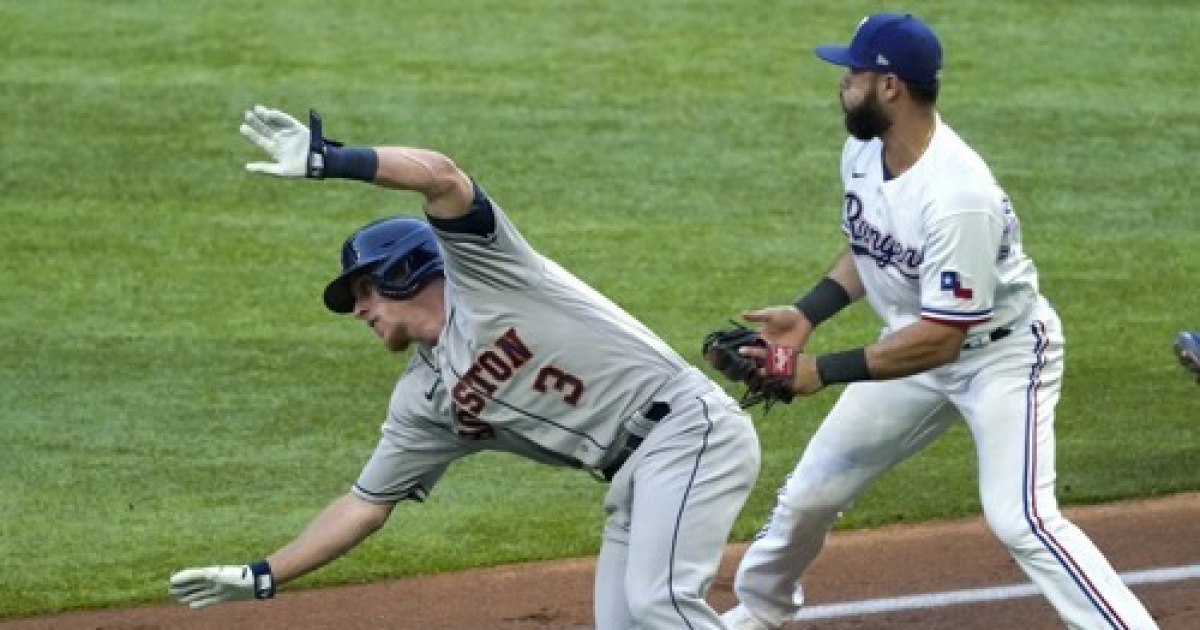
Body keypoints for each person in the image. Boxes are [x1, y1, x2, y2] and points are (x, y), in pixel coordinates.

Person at [167, 105, 761, 629]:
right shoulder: (423, 401)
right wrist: (265, 574)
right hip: (632, 479)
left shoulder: (490, 275)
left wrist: (335, 160)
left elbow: (442, 178)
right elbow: (364, 504)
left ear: (405, 270)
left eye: (365, 291)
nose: (359, 311)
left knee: (660, 602)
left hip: (688, 429)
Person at [718, 13, 1159, 630]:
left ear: (889, 86)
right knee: (811, 493)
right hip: (912, 347)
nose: (842, 83)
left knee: (1022, 520)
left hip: (1001, 358)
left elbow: (941, 340)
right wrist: (808, 313)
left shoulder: (958, 197)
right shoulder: (864, 150)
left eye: (853, 73)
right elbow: (870, 247)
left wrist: (821, 371)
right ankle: (760, 612)